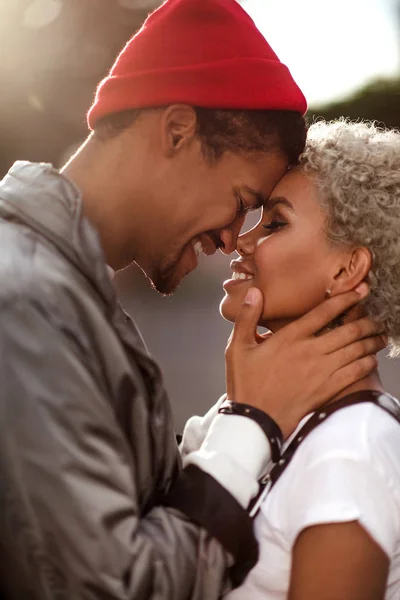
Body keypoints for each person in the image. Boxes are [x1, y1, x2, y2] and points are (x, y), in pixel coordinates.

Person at [0, 0, 385, 596]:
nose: (235, 239)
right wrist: (252, 420)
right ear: (177, 131)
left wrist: (243, 413)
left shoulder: (62, 287)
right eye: (240, 200)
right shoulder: (24, 298)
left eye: (267, 219)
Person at [200, 119, 399, 600]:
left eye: (274, 223)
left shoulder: (350, 452)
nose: (241, 242)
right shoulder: (292, 419)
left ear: (348, 268)